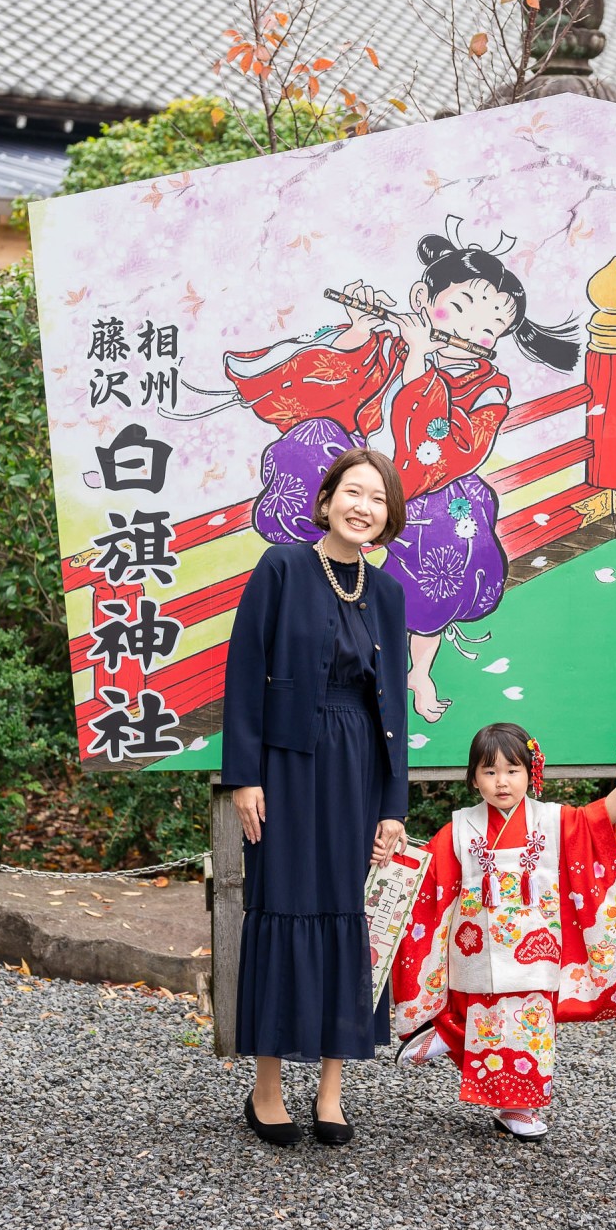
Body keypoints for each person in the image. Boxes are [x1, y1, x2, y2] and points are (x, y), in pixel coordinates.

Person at [221, 216, 581, 723]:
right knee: (309, 446)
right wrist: (356, 333)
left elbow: (446, 450)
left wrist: (419, 367)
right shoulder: (390, 345)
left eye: (488, 327)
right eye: (457, 310)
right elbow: (325, 393)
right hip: (359, 478)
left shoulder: (489, 386)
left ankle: (419, 667)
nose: (468, 331)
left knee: (451, 549)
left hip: (432, 488)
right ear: (420, 299)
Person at [222, 447, 412, 1147]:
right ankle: (266, 1087)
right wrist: (245, 774)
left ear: (388, 516)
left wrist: (393, 805)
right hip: (289, 766)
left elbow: (394, 708)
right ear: (327, 498)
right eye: (352, 493)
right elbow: (245, 672)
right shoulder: (282, 566)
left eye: (378, 499)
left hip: (359, 766)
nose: (364, 507)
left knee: (351, 917)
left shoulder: (387, 594)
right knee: (282, 908)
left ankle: (331, 1091)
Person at [389, 723, 616, 1141]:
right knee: (482, 1020)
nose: (501, 782)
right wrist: (394, 852)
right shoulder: (461, 828)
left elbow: (596, 821)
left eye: (512, 771)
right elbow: (429, 874)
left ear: (531, 773)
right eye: (489, 772)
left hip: (537, 946)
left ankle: (518, 1105)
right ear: (473, 778)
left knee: (529, 1028)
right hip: (476, 946)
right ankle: (443, 1030)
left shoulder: (551, 819)